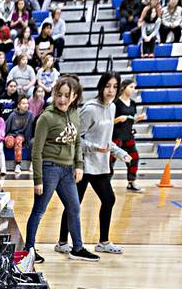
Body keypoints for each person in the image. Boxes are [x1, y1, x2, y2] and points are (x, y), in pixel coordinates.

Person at [24, 74, 88, 261]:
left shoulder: (75, 114)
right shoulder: (46, 117)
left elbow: (76, 142)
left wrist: (79, 165)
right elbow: (36, 151)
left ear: (75, 96)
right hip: (49, 168)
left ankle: (77, 248)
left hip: (68, 171)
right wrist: (38, 179)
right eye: (59, 94)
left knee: (74, 209)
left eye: (67, 95)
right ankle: (30, 250)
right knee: (39, 210)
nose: (62, 99)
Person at [76, 75, 130, 256]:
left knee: (109, 199)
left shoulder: (112, 107)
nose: (111, 90)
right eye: (108, 86)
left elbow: (106, 140)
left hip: (100, 166)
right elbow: (75, 138)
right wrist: (93, 148)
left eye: (115, 87)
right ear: (101, 87)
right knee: (74, 205)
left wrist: (120, 153)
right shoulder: (90, 109)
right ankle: (62, 242)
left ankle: (103, 242)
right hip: (83, 164)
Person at [113, 78, 144, 192]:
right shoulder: (115, 103)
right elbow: (108, 121)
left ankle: (131, 182)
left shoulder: (133, 104)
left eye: (134, 87)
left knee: (134, 157)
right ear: (123, 88)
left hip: (128, 135)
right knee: (110, 160)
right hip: (116, 136)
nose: (133, 90)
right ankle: (105, 182)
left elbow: (131, 120)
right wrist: (118, 119)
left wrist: (137, 119)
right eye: (131, 87)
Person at [5, 94, 35, 171]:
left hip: (22, 136)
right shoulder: (13, 114)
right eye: (23, 103)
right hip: (12, 135)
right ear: (18, 105)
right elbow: (7, 127)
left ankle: (18, 164)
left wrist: (27, 142)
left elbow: (31, 129)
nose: (26, 105)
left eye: (27, 103)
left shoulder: (30, 115)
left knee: (18, 140)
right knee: (9, 143)